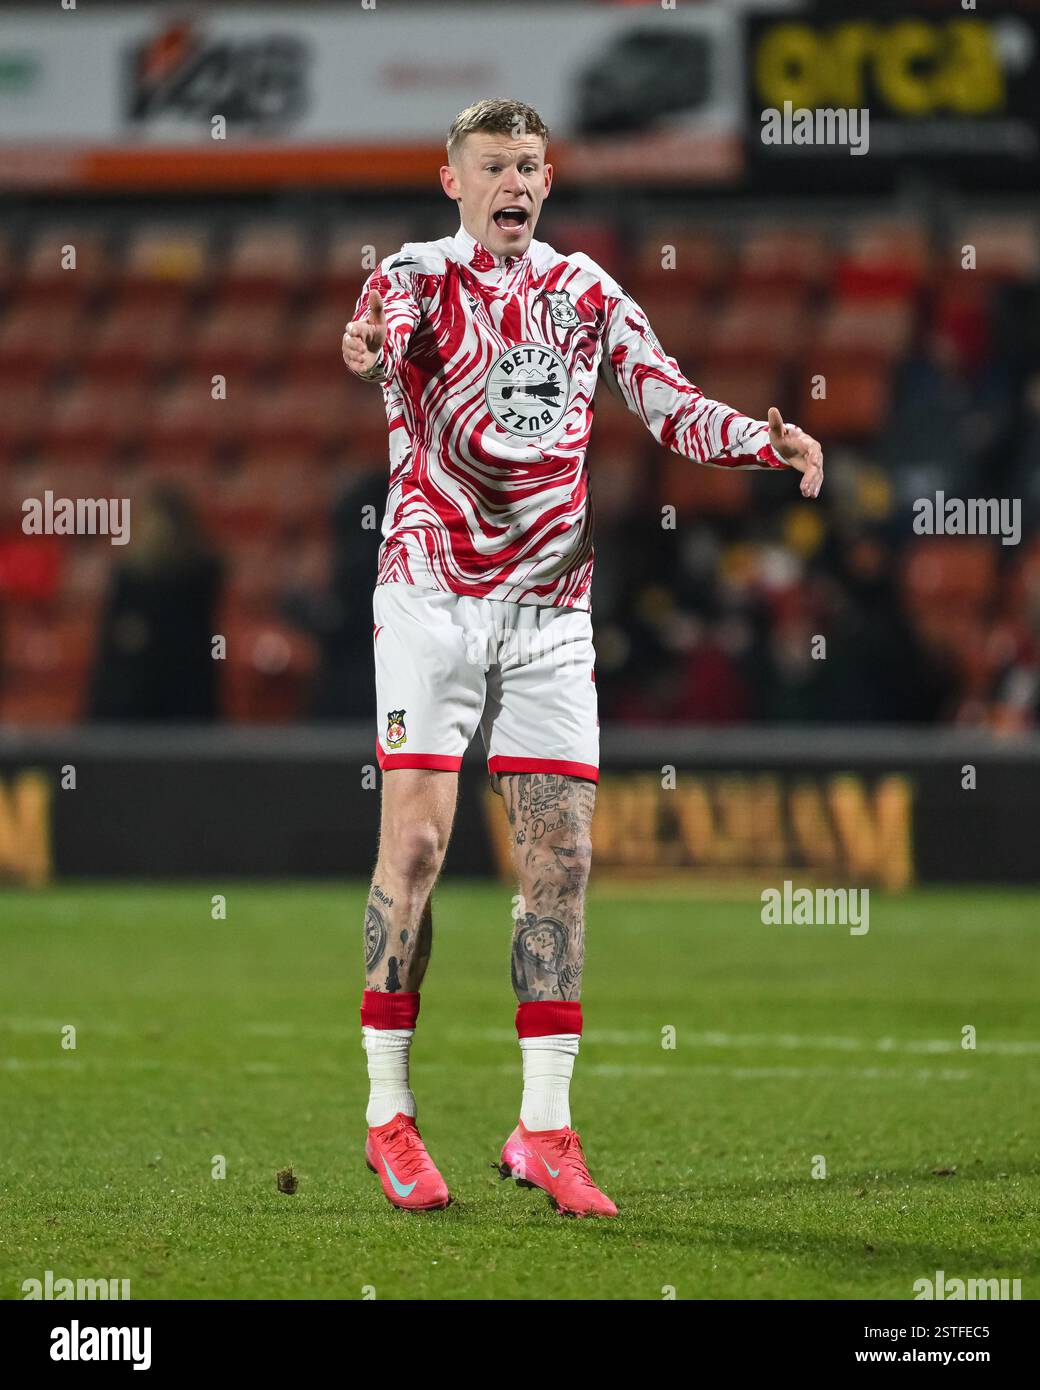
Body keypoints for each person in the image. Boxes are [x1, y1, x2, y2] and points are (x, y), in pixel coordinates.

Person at [342, 98, 823, 1217]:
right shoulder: (414, 276)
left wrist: (758, 439)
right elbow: (368, 331)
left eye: (527, 166)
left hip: (551, 611)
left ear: (547, 181)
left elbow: (665, 405)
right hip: (430, 595)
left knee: (557, 863)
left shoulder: (584, 293)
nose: (511, 182)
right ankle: (388, 1117)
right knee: (414, 846)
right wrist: (361, 345)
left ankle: (543, 1129)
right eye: (489, 166)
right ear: (450, 179)